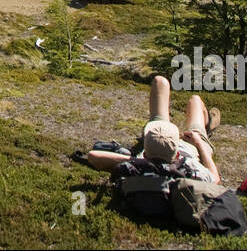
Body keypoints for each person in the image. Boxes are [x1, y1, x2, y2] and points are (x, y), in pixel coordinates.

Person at [83, 75, 221, 183]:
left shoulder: (141, 166)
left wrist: (141, 162)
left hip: (157, 139)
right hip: (193, 145)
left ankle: (203, 122)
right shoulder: (190, 168)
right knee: (195, 100)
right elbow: (215, 179)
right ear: (177, 156)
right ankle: (206, 123)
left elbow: (93, 156)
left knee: (159, 81)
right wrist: (199, 143)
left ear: (144, 153)